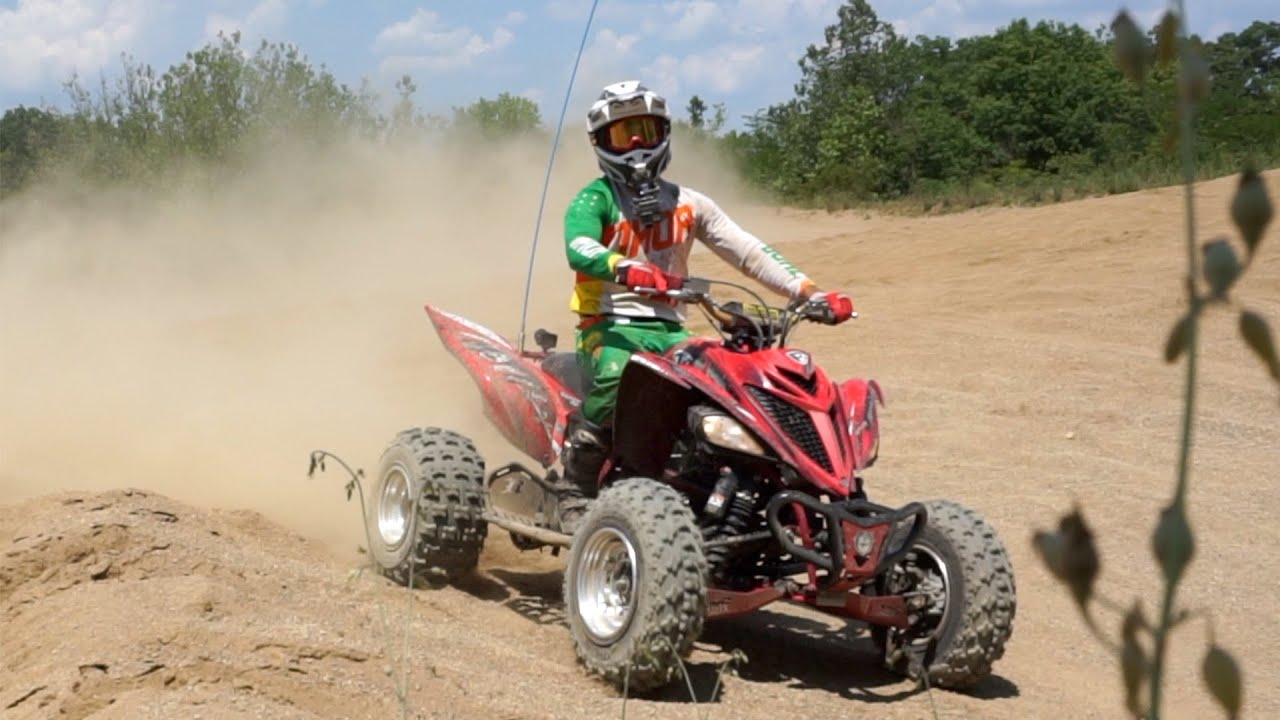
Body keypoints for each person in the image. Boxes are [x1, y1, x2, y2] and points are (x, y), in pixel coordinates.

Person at [554, 80, 855, 533]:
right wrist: (625, 268)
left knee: (728, 385)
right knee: (617, 375)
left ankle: (718, 490)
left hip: (672, 330)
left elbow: (748, 252)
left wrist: (810, 293)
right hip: (608, 326)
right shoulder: (595, 198)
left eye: (645, 130)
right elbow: (578, 246)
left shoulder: (690, 204)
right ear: (601, 143)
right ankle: (573, 490)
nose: (636, 144)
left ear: (664, 133)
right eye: (623, 134)